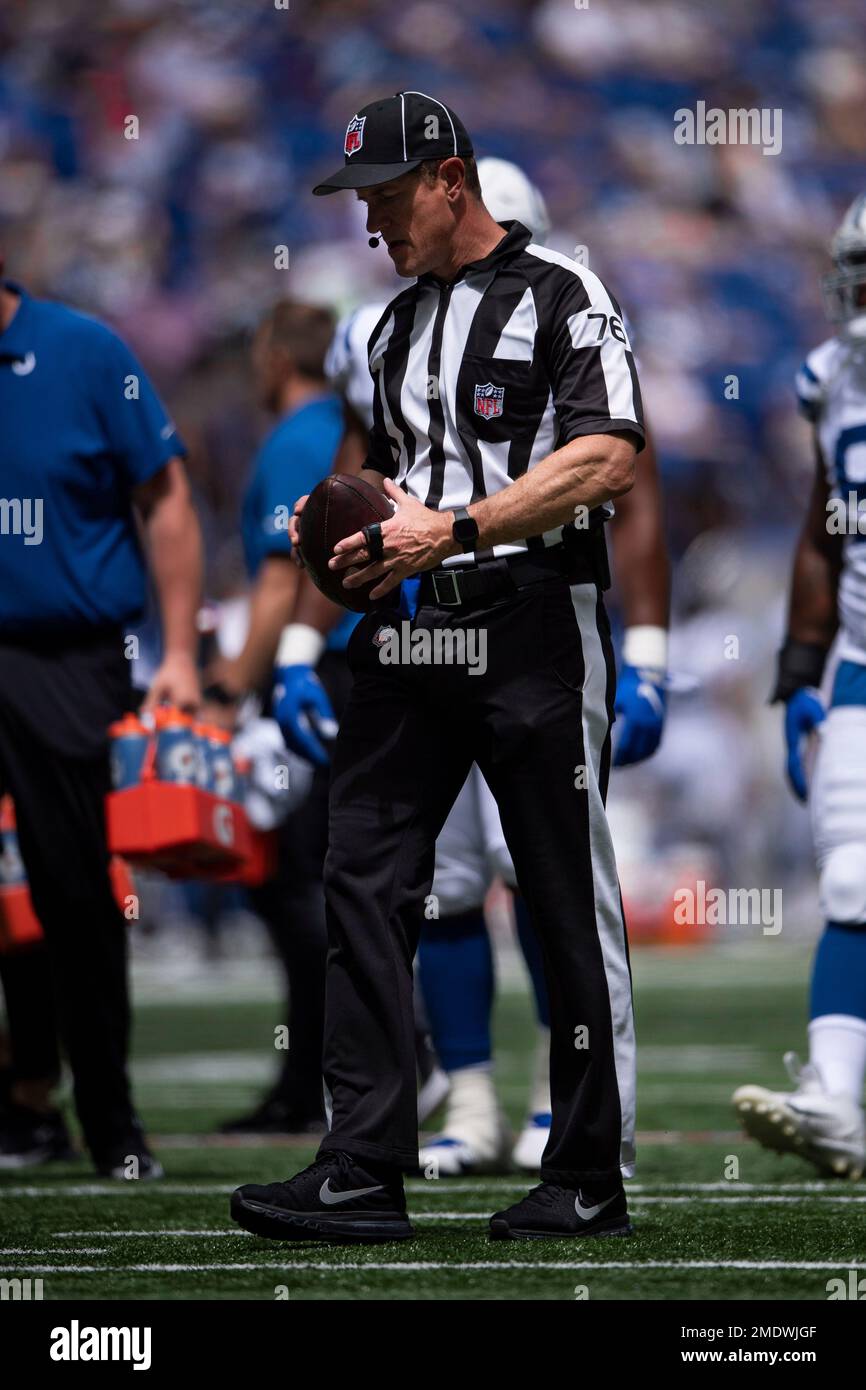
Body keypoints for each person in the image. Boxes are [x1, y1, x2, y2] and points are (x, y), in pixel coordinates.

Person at [231, 91, 644, 1242]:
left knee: (563, 897)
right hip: (413, 628)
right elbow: (370, 469)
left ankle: (583, 1173)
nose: (370, 224)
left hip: (534, 619)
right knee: (359, 873)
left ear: (447, 181)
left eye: (384, 195)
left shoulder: (565, 292)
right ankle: (361, 1159)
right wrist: (335, 540)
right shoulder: (383, 328)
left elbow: (605, 457)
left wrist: (455, 526)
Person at [0, 257, 203, 1177]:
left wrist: (182, 657)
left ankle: (112, 1122)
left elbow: (165, 495)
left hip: (66, 659)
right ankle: (26, 1101)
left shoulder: (84, 352)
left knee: (75, 896)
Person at [733, 196, 866, 1179]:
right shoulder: (829, 378)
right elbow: (822, 532)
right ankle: (832, 1095)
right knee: (850, 877)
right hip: (858, 664)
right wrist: (796, 667)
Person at [204, 298, 354, 1136]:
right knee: (329, 875)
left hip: (321, 670)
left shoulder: (295, 437)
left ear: (276, 359)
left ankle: (340, 1070)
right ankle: (320, 1075)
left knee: (296, 878)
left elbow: (277, 583)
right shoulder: (345, 423)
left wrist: (227, 691)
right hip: (360, 666)